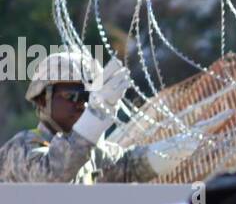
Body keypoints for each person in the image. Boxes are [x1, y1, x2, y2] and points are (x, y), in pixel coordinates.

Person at [0, 52, 197, 183]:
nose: (83, 104)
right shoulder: (20, 149)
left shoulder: (92, 153)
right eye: (72, 96)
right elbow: (52, 176)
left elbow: (127, 167)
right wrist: (95, 117)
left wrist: (173, 150)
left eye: (89, 98)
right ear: (43, 99)